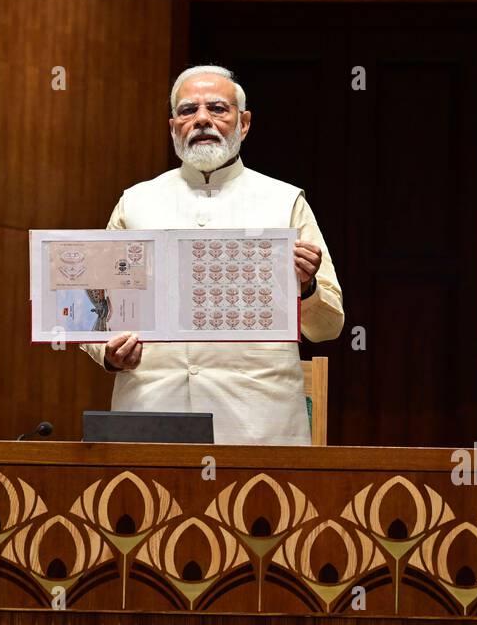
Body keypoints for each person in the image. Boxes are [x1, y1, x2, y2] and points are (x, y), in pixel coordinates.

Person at [83, 66, 344, 445]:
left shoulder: (284, 201)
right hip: (153, 410)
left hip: (258, 418)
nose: (202, 119)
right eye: (188, 111)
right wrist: (106, 352)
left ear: (244, 123)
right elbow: (95, 308)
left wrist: (305, 289)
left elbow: (329, 326)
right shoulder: (136, 202)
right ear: (174, 125)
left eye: (218, 109)